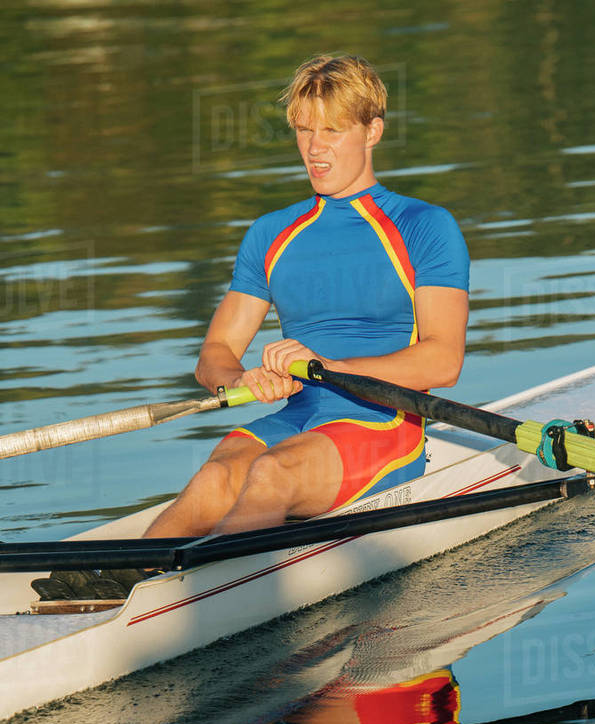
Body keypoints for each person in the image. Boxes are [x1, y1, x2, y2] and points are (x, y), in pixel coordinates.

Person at [32, 53, 469, 602]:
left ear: (373, 131)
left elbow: (442, 361)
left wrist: (328, 368)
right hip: (302, 416)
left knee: (269, 476)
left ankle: (189, 603)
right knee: (215, 477)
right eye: (304, 130)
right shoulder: (271, 233)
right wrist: (238, 381)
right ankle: (121, 581)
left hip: (384, 424)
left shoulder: (424, 226)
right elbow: (214, 352)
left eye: (332, 130)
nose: (315, 147)